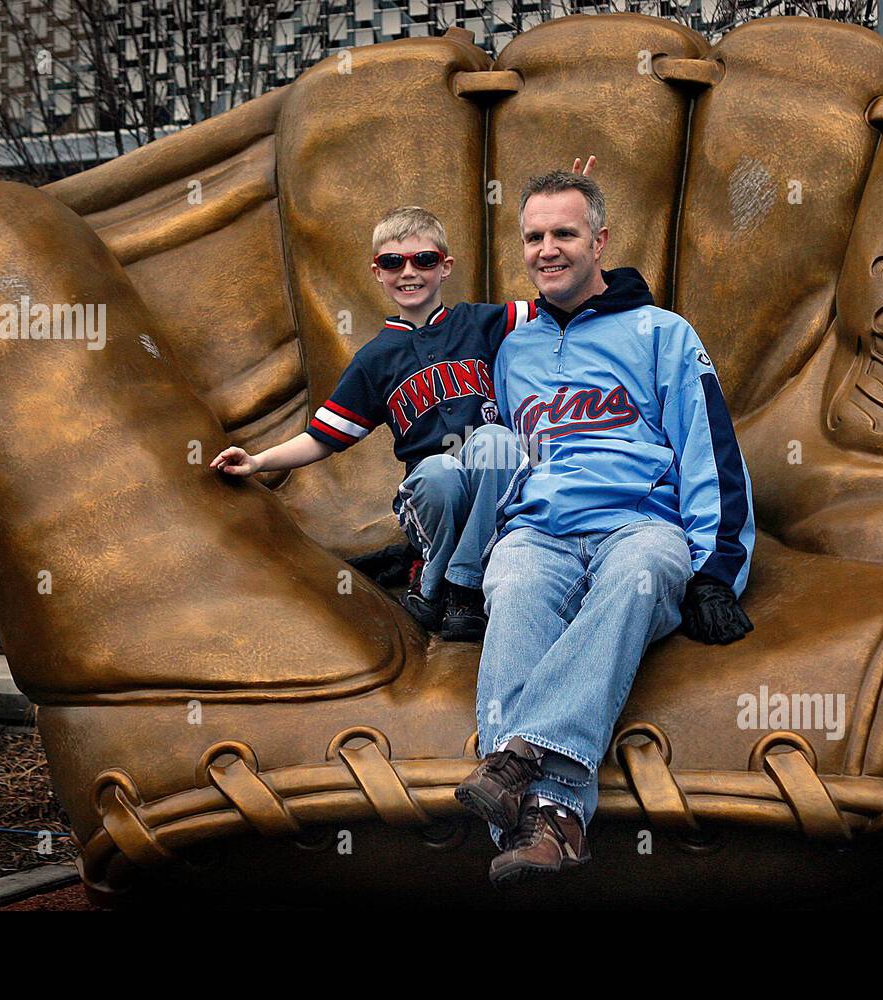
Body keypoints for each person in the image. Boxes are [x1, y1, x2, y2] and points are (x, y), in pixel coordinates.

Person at [452, 169, 756, 885]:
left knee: (643, 573)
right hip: (539, 530)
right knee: (515, 583)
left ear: (601, 240)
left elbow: (710, 452)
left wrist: (715, 570)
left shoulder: (663, 333)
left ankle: (519, 761)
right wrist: (444, 562)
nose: (547, 249)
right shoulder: (512, 349)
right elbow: (486, 456)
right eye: (533, 236)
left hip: (639, 524)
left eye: (564, 232)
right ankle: (550, 827)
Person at [210, 205, 533, 640]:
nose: (408, 272)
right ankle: (437, 582)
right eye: (392, 262)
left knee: (495, 440)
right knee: (440, 472)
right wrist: (256, 461)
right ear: (377, 272)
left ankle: (459, 586)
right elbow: (323, 436)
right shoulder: (374, 360)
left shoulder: (480, 322)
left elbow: (561, 302)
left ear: (445, 266)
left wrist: (581, 229)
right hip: (431, 498)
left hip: (492, 495)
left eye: (424, 259)